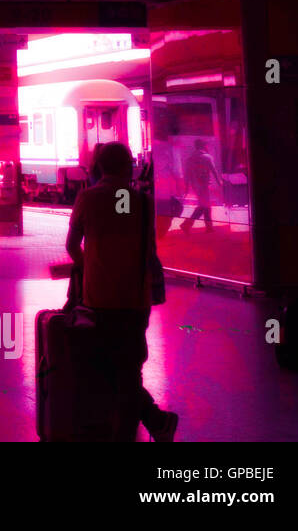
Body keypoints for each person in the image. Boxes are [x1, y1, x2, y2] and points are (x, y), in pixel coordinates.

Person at [66, 141, 178, 442]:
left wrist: (91, 267)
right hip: (134, 299)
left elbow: (71, 246)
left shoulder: (88, 198)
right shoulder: (142, 201)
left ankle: (151, 422)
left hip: (98, 297)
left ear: (99, 166)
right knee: (129, 367)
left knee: (106, 366)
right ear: (129, 165)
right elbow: (149, 247)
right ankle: (146, 424)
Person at [180, 140, 222, 233]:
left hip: (195, 185)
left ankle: (207, 227)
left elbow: (187, 174)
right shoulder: (207, 157)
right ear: (203, 146)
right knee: (205, 205)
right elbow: (214, 171)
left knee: (205, 205)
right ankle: (187, 224)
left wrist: (187, 187)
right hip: (204, 185)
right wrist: (219, 183)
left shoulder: (190, 159)